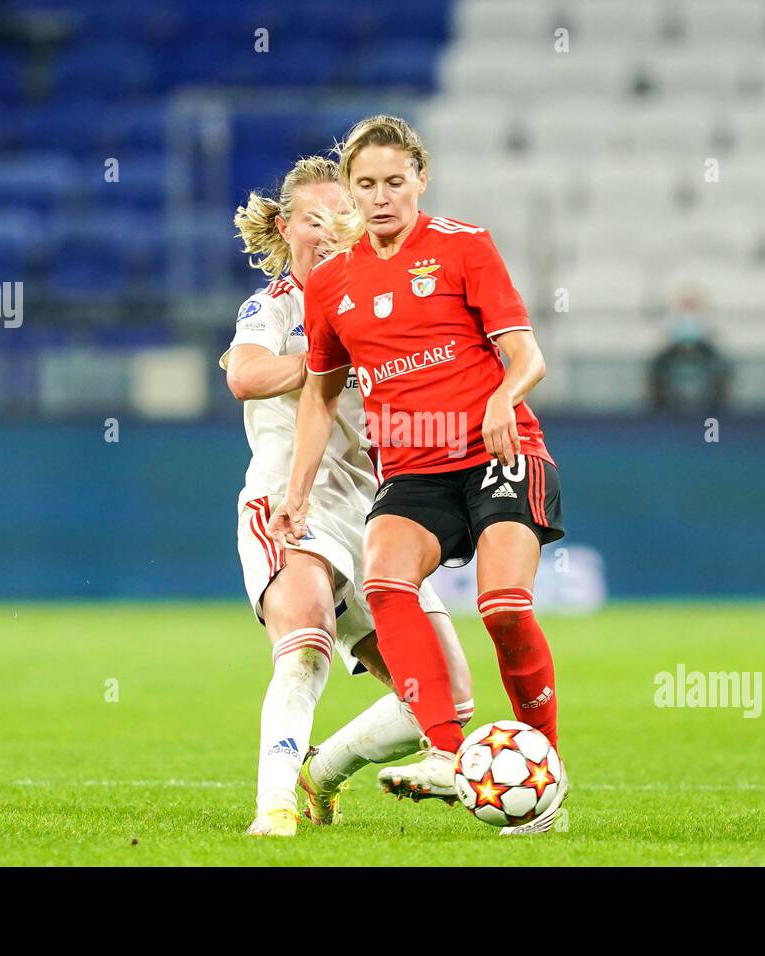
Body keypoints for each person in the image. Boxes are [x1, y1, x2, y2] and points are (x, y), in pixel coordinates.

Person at [269, 116, 569, 834]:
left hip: (498, 455)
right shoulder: (333, 284)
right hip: (413, 471)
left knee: (502, 608)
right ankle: (444, 748)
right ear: (348, 190)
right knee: (384, 579)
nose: (380, 198)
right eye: (365, 184)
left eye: (394, 183)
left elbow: (527, 355)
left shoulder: (464, 247)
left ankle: (548, 773)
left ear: (420, 180)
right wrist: (297, 491)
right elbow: (320, 394)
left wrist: (503, 396)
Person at [224, 156, 472, 837]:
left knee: (446, 699)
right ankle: (272, 808)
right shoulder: (273, 307)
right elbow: (243, 375)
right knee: (307, 642)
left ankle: (322, 769)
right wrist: (326, 359)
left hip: (377, 512)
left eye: (345, 219)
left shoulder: (380, 303)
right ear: (284, 227)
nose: (331, 233)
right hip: (286, 502)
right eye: (315, 220)